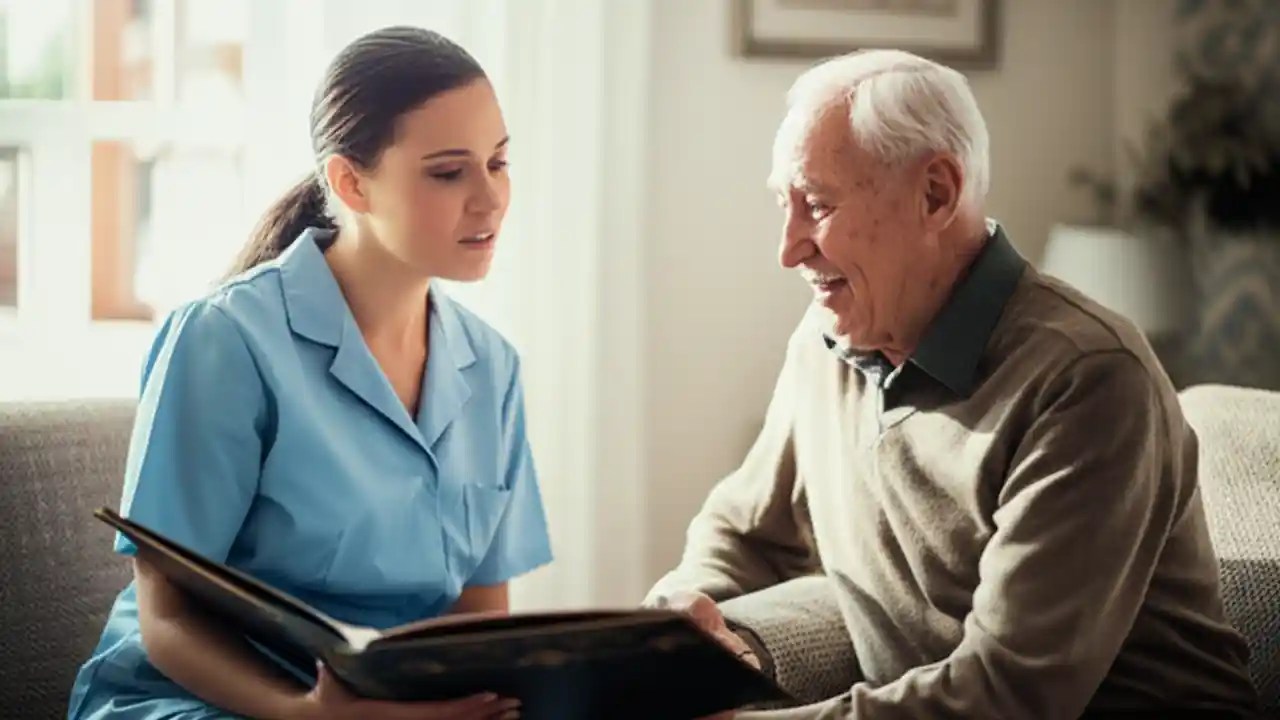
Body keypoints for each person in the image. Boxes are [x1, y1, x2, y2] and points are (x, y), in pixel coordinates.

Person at [648, 49, 1262, 719]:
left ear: (935, 194)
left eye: (817, 205)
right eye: (782, 204)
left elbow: (1010, 695)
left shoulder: (1086, 379)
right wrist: (682, 623)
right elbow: (746, 531)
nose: (788, 247)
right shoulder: (830, 339)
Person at [67, 26, 549, 720]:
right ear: (350, 183)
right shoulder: (224, 341)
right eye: (449, 172)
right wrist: (306, 713)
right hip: (201, 704)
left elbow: (479, 627)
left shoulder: (493, 369)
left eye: (498, 163)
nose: (491, 198)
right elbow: (165, 618)